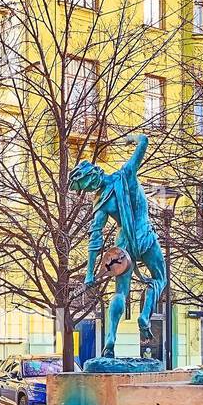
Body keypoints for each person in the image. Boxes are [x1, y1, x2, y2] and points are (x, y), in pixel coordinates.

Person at [72, 134, 168, 359]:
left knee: (120, 293)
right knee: (159, 278)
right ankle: (145, 315)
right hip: (145, 235)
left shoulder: (101, 203)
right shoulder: (126, 173)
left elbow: (95, 238)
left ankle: (110, 339)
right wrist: (131, 139)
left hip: (123, 246)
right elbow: (144, 141)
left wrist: (89, 274)